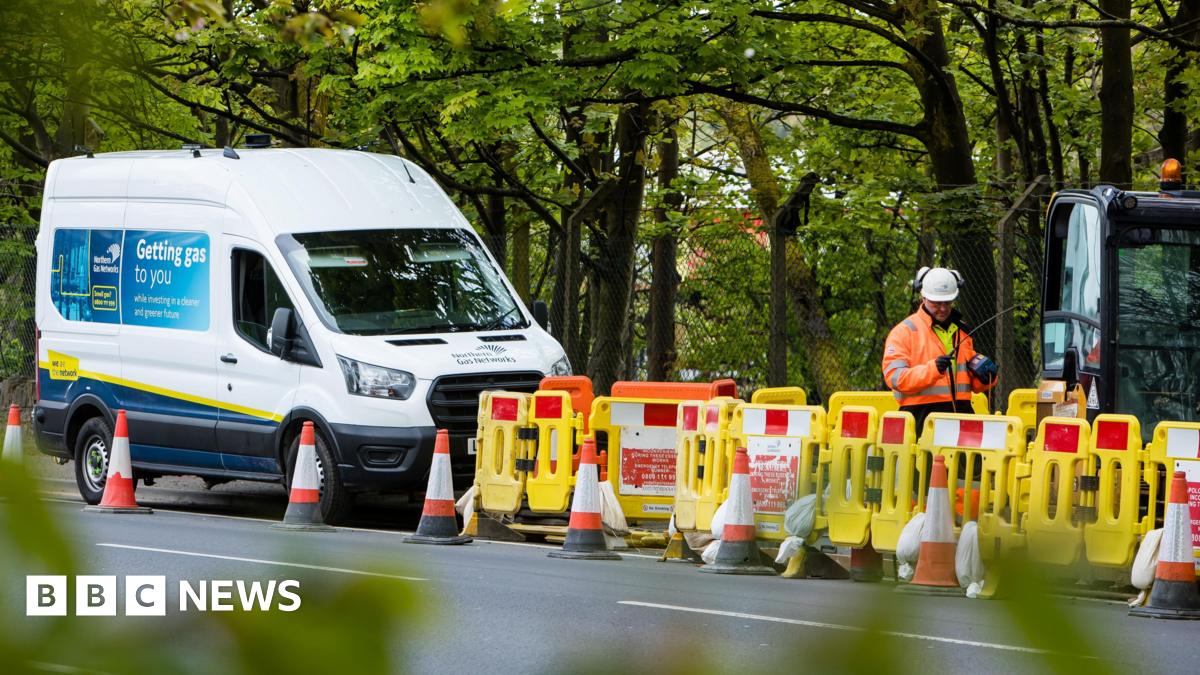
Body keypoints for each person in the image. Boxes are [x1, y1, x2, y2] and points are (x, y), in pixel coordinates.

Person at [881, 267, 997, 431]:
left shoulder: (962, 332)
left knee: (970, 458)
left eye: (947, 303)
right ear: (924, 297)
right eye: (936, 303)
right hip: (920, 417)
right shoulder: (904, 332)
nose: (942, 308)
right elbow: (895, 378)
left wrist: (985, 378)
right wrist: (932, 369)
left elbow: (967, 381)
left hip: (961, 413)